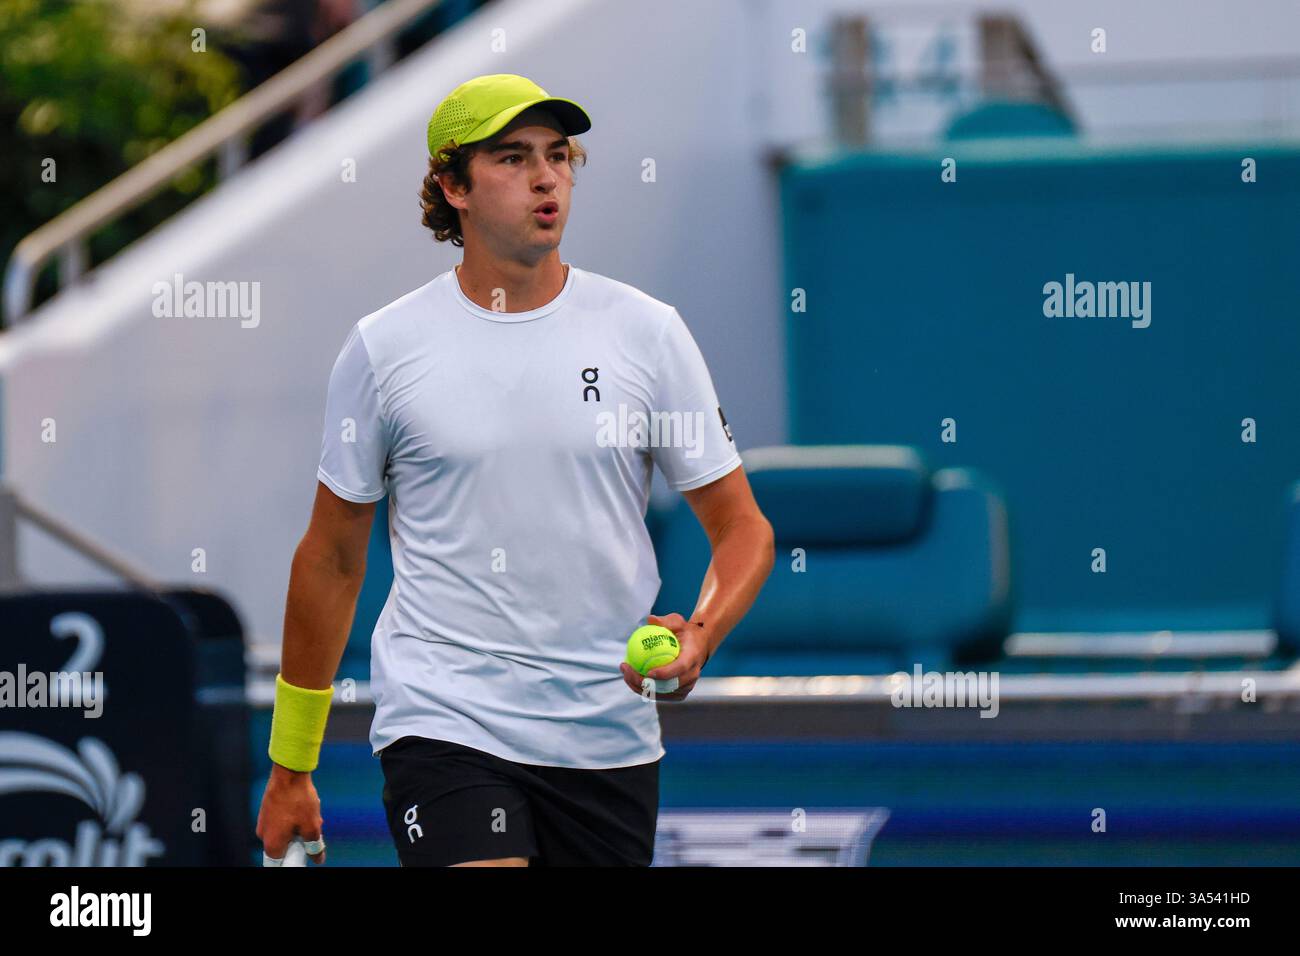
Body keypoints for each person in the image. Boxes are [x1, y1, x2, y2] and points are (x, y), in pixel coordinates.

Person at [256, 73, 775, 867]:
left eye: (558, 156)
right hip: (446, 721)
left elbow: (742, 529)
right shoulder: (383, 349)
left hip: (609, 740)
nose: (546, 177)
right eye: (512, 157)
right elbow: (330, 558)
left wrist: (699, 635)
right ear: (451, 187)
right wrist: (292, 764)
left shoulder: (648, 334)